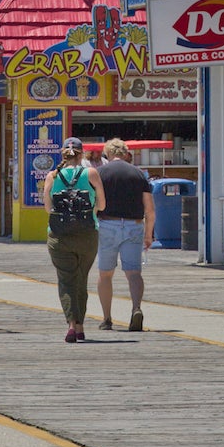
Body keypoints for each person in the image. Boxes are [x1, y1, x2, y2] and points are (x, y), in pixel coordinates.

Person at [42, 137, 105, 343]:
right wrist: (91, 210)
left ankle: (72, 325)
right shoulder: (92, 173)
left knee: (67, 280)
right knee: (81, 279)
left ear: (63, 154)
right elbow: (102, 205)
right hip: (87, 234)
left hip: (59, 236)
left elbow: (47, 208)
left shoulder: (52, 175)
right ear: (81, 153)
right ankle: (80, 325)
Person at [94, 139, 154, 332]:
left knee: (105, 274)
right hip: (134, 225)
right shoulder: (138, 174)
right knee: (134, 272)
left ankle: (107, 318)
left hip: (107, 224)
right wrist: (149, 234)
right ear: (126, 154)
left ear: (107, 154)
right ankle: (136, 308)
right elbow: (150, 209)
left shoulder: (100, 173)